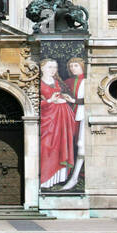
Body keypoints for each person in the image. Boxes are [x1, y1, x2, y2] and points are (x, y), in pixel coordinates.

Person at [39, 58, 75, 188]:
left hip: (62, 117)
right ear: (42, 68)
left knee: (61, 144)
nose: (53, 70)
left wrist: (65, 98)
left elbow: (60, 96)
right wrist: (49, 101)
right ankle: (45, 179)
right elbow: (33, 104)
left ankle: (57, 179)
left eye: (55, 67)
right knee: (46, 146)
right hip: (48, 119)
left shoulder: (57, 82)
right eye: (50, 67)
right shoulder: (38, 83)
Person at [61, 57, 86, 191]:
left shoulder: (87, 81)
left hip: (81, 115)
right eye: (71, 66)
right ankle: (67, 174)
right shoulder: (67, 82)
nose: (72, 68)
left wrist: (74, 100)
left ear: (82, 66)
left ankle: (77, 176)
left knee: (80, 144)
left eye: (75, 65)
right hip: (69, 115)